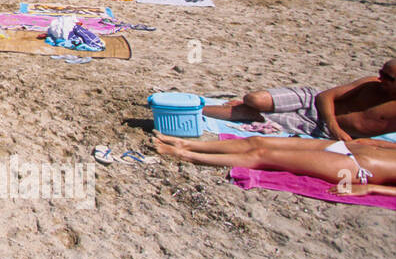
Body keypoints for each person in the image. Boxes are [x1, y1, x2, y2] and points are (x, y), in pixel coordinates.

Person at [201, 61, 396, 141]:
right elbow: (325, 96)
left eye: (388, 78)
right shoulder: (370, 84)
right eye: (381, 73)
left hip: (315, 127)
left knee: (247, 115)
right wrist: (335, 126)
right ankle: (247, 106)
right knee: (254, 99)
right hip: (312, 101)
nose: (381, 79)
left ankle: (192, 109)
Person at [153, 134, 396, 197]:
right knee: (257, 142)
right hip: (348, 148)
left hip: (354, 168)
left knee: (263, 156)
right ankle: (186, 144)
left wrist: (372, 189)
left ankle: (185, 155)